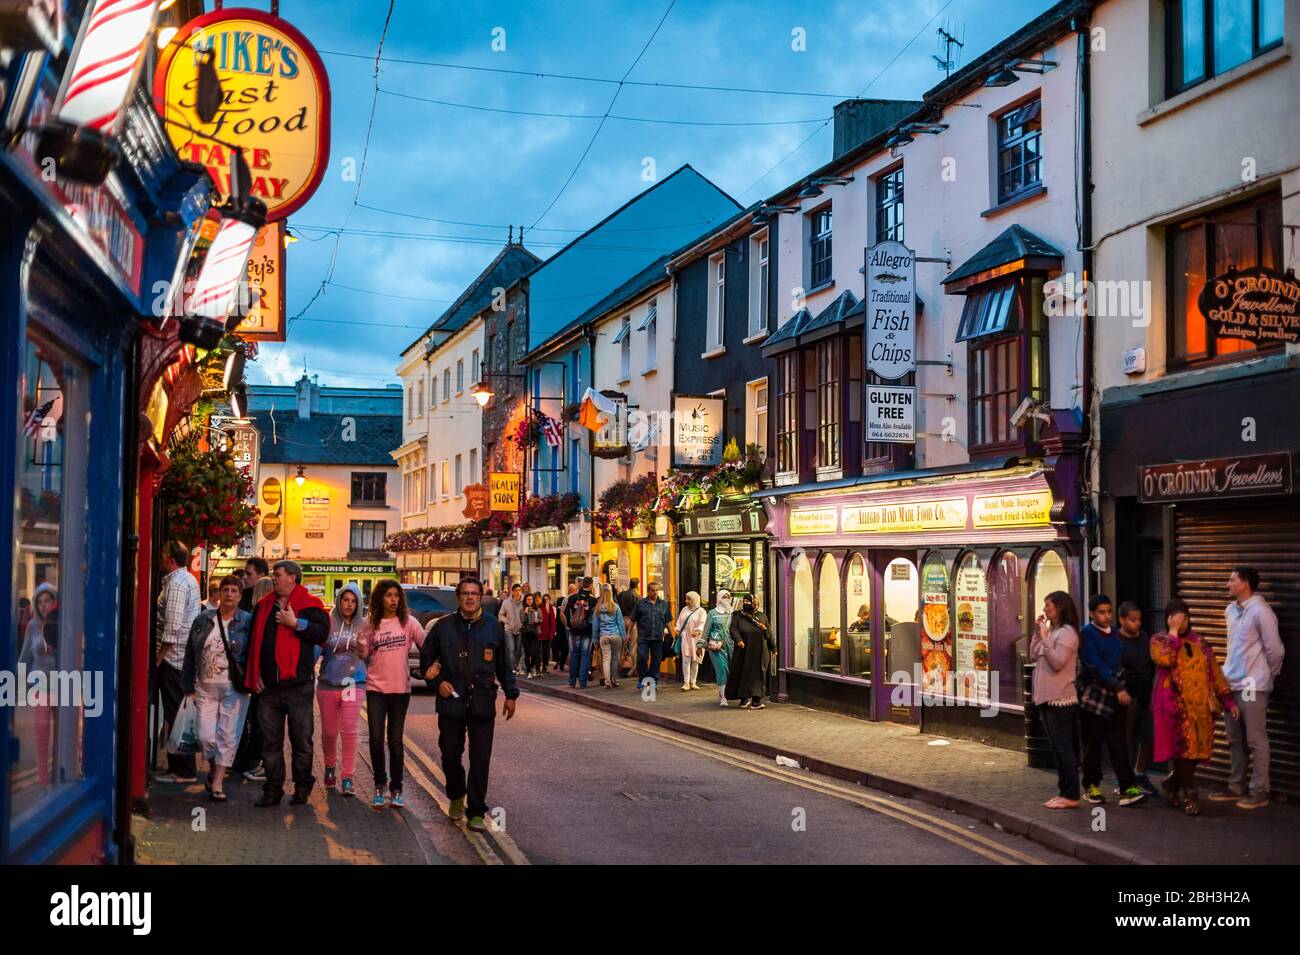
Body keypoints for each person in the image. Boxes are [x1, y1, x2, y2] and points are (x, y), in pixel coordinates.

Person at [420, 577, 518, 832]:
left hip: (482, 700)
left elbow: (504, 664)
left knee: (480, 757)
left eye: (474, 593)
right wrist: (438, 682)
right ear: (458, 597)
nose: (470, 598)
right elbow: (425, 661)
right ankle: (456, 794)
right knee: (450, 755)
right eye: (465, 593)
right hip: (451, 701)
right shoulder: (443, 627)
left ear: (480, 597)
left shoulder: (493, 627)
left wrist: (511, 693)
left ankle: (476, 810)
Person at [244, 560, 329, 807]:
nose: (274, 578)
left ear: (293, 577)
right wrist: (255, 674)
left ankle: (302, 788)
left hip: (298, 686)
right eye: (273, 574)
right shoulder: (263, 606)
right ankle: (273, 789)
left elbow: (322, 634)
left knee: (302, 741)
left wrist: (296, 624)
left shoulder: (310, 605)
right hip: (268, 687)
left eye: (278, 574)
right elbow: (254, 644)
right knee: (270, 743)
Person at [1151, 598, 1239, 816]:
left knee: (1199, 751)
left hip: (1201, 709)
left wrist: (1227, 700)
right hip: (1174, 708)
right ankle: (1191, 795)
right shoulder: (1158, 640)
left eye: (1185, 618)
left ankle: (1172, 782)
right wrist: (1172, 633)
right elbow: (1165, 660)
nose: (1181, 622)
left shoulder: (1200, 642)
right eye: (1176, 618)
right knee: (1183, 751)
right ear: (1168, 619)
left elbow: (1215, 672)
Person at [1211, 567, 1284, 810]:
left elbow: (1275, 650)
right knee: (1234, 738)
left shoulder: (1261, 611)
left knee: (1255, 738)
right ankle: (1235, 786)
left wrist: (1266, 674)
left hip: (1253, 684)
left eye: (1232, 580)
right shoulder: (1230, 610)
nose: (1227, 584)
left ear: (1245, 584)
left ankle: (1260, 791)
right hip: (1231, 682)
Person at [180, 574, 251, 802]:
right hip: (205, 687)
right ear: (219, 593)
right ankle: (213, 768)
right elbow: (190, 652)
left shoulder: (247, 621)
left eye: (234, 591)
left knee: (227, 736)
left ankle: (218, 781)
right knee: (205, 736)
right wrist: (187, 682)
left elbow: (255, 653)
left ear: (240, 596)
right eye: (226, 590)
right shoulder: (203, 619)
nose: (229, 594)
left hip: (234, 688)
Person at [360, 579, 426, 809]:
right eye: (388, 595)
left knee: (395, 741)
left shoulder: (409, 622)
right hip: (375, 689)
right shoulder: (371, 625)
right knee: (376, 739)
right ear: (380, 598)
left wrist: (434, 666)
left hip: (400, 691)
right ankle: (380, 786)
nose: (393, 600)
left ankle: (397, 789)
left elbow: (427, 645)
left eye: (396, 595)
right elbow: (363, 656)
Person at [1078, 594, 1147, 807]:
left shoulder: (1116, 634)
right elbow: (1095, 665)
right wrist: (1118, 687)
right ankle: (1091, 786)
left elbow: (1120, 663)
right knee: (1093, 743)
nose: (1107, 616)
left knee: (1118, 742)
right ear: (1092, 613)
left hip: (1117, 693)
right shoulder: (1087, 634)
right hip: (1095, 694)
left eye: (1109, 612)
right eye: (1101, 612)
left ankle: (1127, 787)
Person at [155, 540, 201, 783]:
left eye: (162, 554)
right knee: (178, 714)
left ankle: (182, 770)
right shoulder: (189, 579)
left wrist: (159, 657)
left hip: (174, 659)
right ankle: (180, 767)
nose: (160, 559)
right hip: (184, 657)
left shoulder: (176, 584)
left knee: (175, 714)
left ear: (170, 559)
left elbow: (171, 628)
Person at [1031, 591, 1081, 809]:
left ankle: (1071, 795)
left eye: (1048, 606)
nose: (1045, 610)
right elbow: (1034, 654)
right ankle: (1064, 792)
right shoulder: (1053, 631)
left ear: (1060, 608)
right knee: (1057, 748)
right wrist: (1037, 633)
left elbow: (1058, 662)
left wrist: (1045, 638)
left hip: (1061, 699)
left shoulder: (1068, 633)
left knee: (1063, 749)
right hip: (1046, 698)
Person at [317, 583, 366, 798]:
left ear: (358, 603)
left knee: (349, 729)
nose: (349, 604)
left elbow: (371, 656)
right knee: (329, 732)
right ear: (339, 601)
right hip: (328, 683)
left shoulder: (364, 626)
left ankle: (347, 777)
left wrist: (366, 651)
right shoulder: (328, 623)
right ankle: (329, 767)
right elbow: (316, 650)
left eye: (353, 601)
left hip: (352, 683)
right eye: (345, 600)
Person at [233, 575, 275, 781]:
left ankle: (252, 761)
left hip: (254, 676)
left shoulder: (254, 616)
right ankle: (253, 761)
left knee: (255, 720)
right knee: (260, 721)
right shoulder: (264, 616)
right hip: (264, 677)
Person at [17, 584, 57, 788]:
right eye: (39, 602)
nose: (43, 605)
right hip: (41, 686)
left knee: (66, 734)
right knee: (41, 732)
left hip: (64, 686)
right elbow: (24, 657)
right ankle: (43, 782)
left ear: (54, 602)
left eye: (47, 600)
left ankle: (65, 777)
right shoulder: (32, 626)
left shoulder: (61, 623)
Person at [1117, 602, 1157, 795]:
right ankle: (1124, 781)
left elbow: (1151, 663)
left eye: (1139, 620)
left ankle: (1139, 773)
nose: (1137, 624)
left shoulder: (1144, 637)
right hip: (1126, 696)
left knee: (1149, 736)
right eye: (1133, 620)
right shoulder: (1116, 640)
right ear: (1122, 620)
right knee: (1126, 739)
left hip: (1146, 693)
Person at [726, 594, 776, 708]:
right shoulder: (738, 616)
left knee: (759, 674)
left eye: (749, 602)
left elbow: (768, 633)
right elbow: (733, 629)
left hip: (760, 651)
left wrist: (773, 648)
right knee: (743, 673)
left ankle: (756, 700)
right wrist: (738, 640)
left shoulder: (761, 616)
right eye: (745, 602)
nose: (747, 604)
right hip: (744, 650)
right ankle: (743, 698)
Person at [631, 582, 670, 689]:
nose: (655, 592)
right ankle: (643, 679)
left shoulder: (664, 604)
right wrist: (628, 634)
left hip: (658, 636)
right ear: (648, 591)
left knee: (656, 660)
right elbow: (632, 619)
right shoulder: (641, 603)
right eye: (653, 590)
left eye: (657, 590)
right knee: (642, 657)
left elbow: (667, 620)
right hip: (643, 636)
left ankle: (652, 681)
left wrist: (672, 634)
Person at [704, 591, 735, 707]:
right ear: (719, 598)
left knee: (729, 670)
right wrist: (701, 646)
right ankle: (723, 697)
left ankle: (723, 692)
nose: (726, 599)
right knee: (721, 670)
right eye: (723, 597)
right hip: (716, 647)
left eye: (728, 597)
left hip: (730, 646)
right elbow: (706, 630)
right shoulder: (712, 613)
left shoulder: (733, 613)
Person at [565, 578, 596, 689]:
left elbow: (564, 614)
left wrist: (569, 625)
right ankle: (582, 682)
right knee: (585, 655)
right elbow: (595, 617)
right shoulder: (593, 600)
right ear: (591, 585)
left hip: (574, 630)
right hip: (587, 631)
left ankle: (572, 681)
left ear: (582, 584)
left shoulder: (572, 598)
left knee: (574, 655)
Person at [594, 584, 627, 689]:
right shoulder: (615, 607)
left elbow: (595, 626)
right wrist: (624, 637)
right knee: (615, 659)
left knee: (606, 659)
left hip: (604, 636)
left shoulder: (598, 608)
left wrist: (594, 639)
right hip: (616, 635)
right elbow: (620, 623)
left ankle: (607, 682)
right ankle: (615, 680)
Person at [673, 592, 707, 691]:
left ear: (695, 599)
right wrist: (677, 630)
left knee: (695, 660)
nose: (686, 601)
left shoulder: (701, 611)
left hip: (696, 639)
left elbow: (703, 623)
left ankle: (693, 682)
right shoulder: (684, 609)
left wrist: (698, 631)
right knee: (686, 659)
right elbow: (679, 622)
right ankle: (686, 682)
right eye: (686, 599)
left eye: (689, 599)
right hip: (685, 638)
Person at [499, 583, 524, 675]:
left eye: (519, 590)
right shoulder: (506, 602)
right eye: (516, 590)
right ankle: (511, 668)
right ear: (512, 592)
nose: (518, 592)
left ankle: (517, 666)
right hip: (509, 629)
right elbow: (500, 615)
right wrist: (507, 621)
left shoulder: (523, 602)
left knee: (518, 650)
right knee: (511, 649)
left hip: (520, 629)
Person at [520, 592, 542, 678]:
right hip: (525, 633)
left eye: (531, 599)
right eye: (528, 599)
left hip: (534, 632)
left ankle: (532, 667)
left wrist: (538, 621)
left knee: (534, 653)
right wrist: (525, 614)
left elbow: (541, 619)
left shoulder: (537, 609)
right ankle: (529, 672)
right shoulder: (522, 610)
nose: (529, 601)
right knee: (527, 653)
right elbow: (522, 621)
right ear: (525, 601)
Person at [538, 593, 556, 675]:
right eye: (544, 599)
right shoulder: (540, 607)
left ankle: (545, 666)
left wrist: (552, 631)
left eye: (547, 599)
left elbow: (553, 620)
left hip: (548, 633)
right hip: (540, 632)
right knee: (539, 651)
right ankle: (538, 666)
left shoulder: (551, 607)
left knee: (546, 651)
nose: (546, 601)